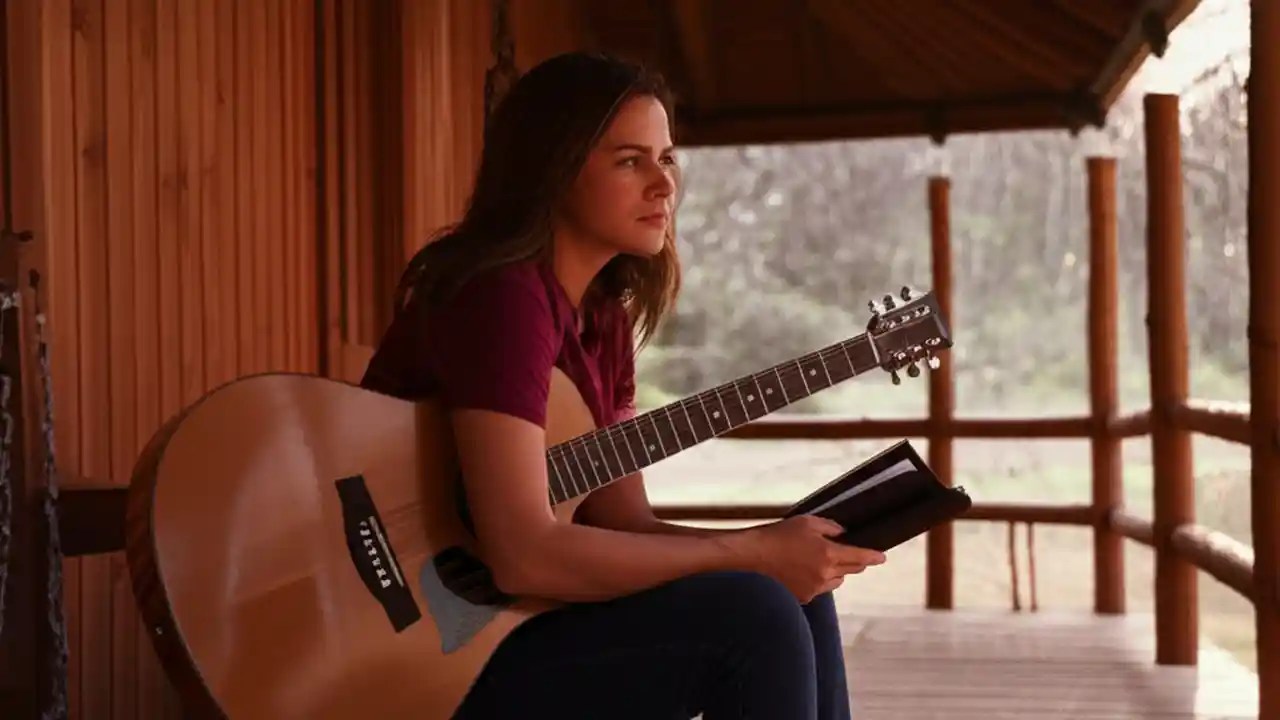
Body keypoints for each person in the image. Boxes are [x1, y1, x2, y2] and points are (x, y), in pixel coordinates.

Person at [361, 51, 886, 720]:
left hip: (504, 623)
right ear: (552, 169)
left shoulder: (601, 319)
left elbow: (625, 523)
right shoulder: (503, 298)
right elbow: (524, 554)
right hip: (424, 646)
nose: (664, 186)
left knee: (792, 595)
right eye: (629, 160)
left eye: (666, 158)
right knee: (756, 613)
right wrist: (750, 554)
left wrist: (773, 548)